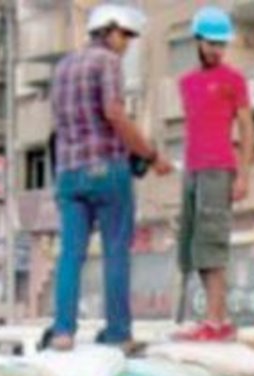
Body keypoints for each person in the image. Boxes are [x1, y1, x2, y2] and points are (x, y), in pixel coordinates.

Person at [48, 4, 172, 351]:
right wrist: (150, 155)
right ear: (110, 31)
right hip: (105, 169)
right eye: (125, 36)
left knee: (70, 254)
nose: (128, 44)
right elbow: (114, 113)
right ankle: (118, 333)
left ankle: (63, 331)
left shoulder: (62, 67)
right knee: (116, 251)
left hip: (68, 172)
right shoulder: (108, 62)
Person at [173, 6, 254, 342]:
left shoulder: (234, 80)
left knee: (213, 244)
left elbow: (247, 128)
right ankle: (216, 318)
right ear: (198, 41)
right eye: (211, 43)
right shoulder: (186, 83)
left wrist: (244, 175)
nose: (216, 50)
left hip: (218, 169)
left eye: (221, 44)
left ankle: (215, 321)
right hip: (191, 169)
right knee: (192, 248)